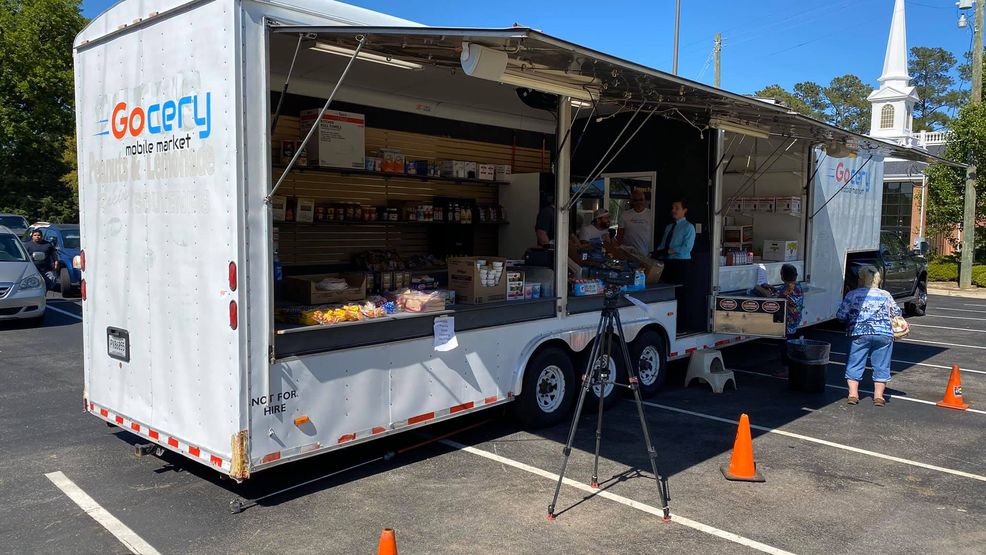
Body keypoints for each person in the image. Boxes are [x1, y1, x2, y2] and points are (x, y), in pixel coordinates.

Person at [836, 265, 900, 407]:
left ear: (861, 279)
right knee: (882, 365)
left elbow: (841, 315)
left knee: (855, 362)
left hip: (859, 333)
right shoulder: (886, 295)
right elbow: (897, 312)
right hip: (884, 333)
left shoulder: (853, 294)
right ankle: (879, 397)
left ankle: (853, 395)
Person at [655, 198, 695, 284]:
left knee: (678, 289)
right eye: (673, 208)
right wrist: (657, 253)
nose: (673, 210)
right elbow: (663, 244)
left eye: (677, 208)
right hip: (666, 262)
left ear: (684, 210)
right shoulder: (669, 227)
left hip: (681, 263)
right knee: (665, 287)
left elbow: (687, 248)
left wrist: (669, 251)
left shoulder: (689, 227)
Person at [775, 263, 804, 376]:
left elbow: (778, 298)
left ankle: (787, 369)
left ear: (783, 276)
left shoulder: (787, 289)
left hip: (787, 321)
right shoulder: (798, 286)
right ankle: (791, 367)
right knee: (790, 344)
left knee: (785, 346)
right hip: (795, 320)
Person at [616, 190, 653, 255]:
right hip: (628, 254)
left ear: (644, 200)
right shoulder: (625, 215)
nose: (639, 202)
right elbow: (619, 236)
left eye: (641, 199)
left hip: (646, 255)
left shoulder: (651, 214)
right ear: (631, 201)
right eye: (636, 200)